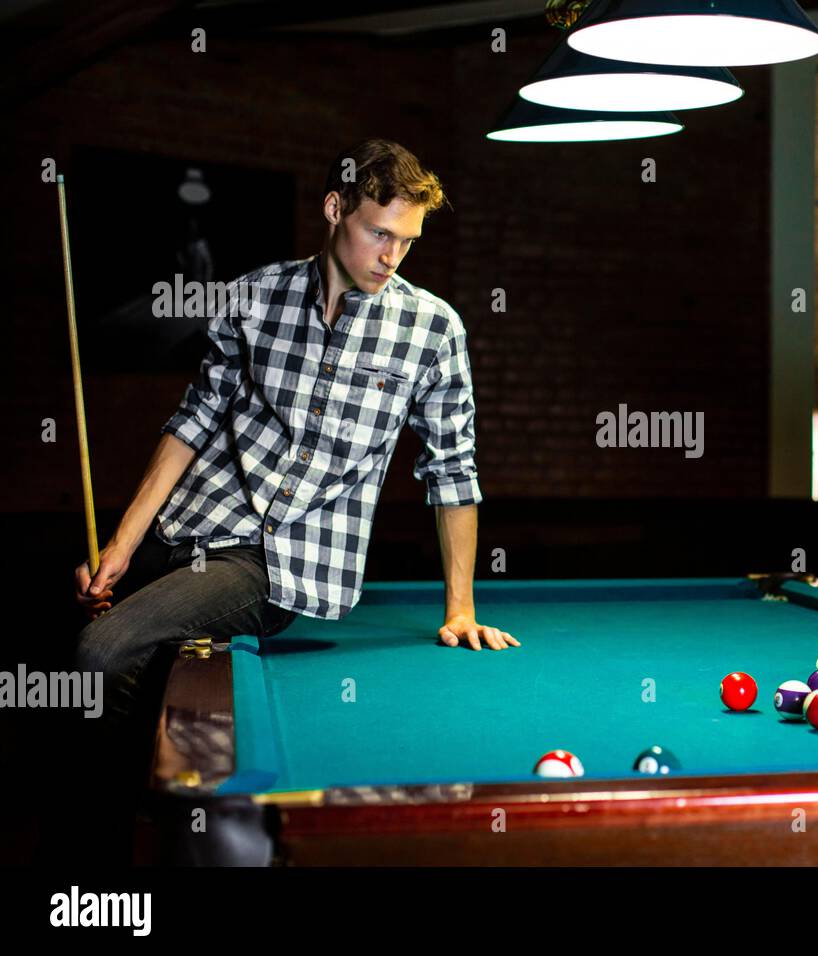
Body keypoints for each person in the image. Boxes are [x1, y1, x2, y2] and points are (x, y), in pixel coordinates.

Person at [70, 139, 517, 858]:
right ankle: (144, 820)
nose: (392, 257)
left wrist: (459, 607)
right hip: (191, 528)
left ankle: (92, 859)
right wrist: (120, 547)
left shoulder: (433, 330)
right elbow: (191, 425)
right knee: (85, 617)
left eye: (407, 242)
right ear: (335, 208)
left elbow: (452, 472)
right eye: (380, 233)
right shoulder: (253, 296)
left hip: (277, 564)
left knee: (101, 652)